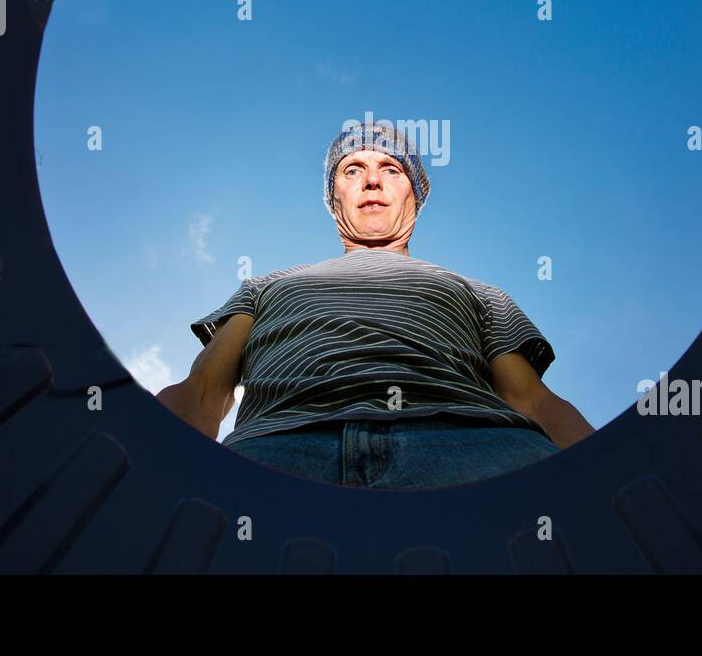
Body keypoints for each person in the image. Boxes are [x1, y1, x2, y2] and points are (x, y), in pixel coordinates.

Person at [157, 119, 595, 488]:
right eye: (351, 170)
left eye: (390, 168)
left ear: (414, 196)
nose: (371, 180)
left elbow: (533, 401)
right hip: (276, 450)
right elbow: (202, 393)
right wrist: (149, 465)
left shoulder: (480, 292)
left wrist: (602, 474)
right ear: (335, 200)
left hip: (473, 448)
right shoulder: (264, 286)